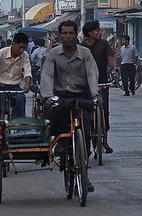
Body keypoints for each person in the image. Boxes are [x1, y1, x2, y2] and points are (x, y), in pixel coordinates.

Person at [39, 20, 98, 191]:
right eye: (64, 33)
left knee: (85, 134)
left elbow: (92, 74)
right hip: (60, 95)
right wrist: (48, 96)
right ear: (60, 35)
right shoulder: (53, 55)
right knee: (56, 119)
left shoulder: (86, 53)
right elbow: (47, 76)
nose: (67, 36)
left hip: (81, 96)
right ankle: (61, 143)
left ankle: (84, 172)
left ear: (76, 34)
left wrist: (95, 94)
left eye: (71, 33)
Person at [81, 21, 116, 153]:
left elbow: (110, 57)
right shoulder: (81, 47)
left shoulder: (103, 44)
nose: (99, 33)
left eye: (99, 30)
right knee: (87, 111)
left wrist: (115, 67)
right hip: (86, 84)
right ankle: (88, 139)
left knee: (104, 111)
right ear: (90, 33)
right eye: (97, 30)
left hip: (102, 81)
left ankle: (104, 140)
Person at [0, 32, 33, 119]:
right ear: (13, 44)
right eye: (20, 47)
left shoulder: (25, 56)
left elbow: (27, 72)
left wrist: (27, 85)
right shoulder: (1, 53)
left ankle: (18, 125)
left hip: (15, 88)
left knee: (20, 100)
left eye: (24, 48)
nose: (22, 50)